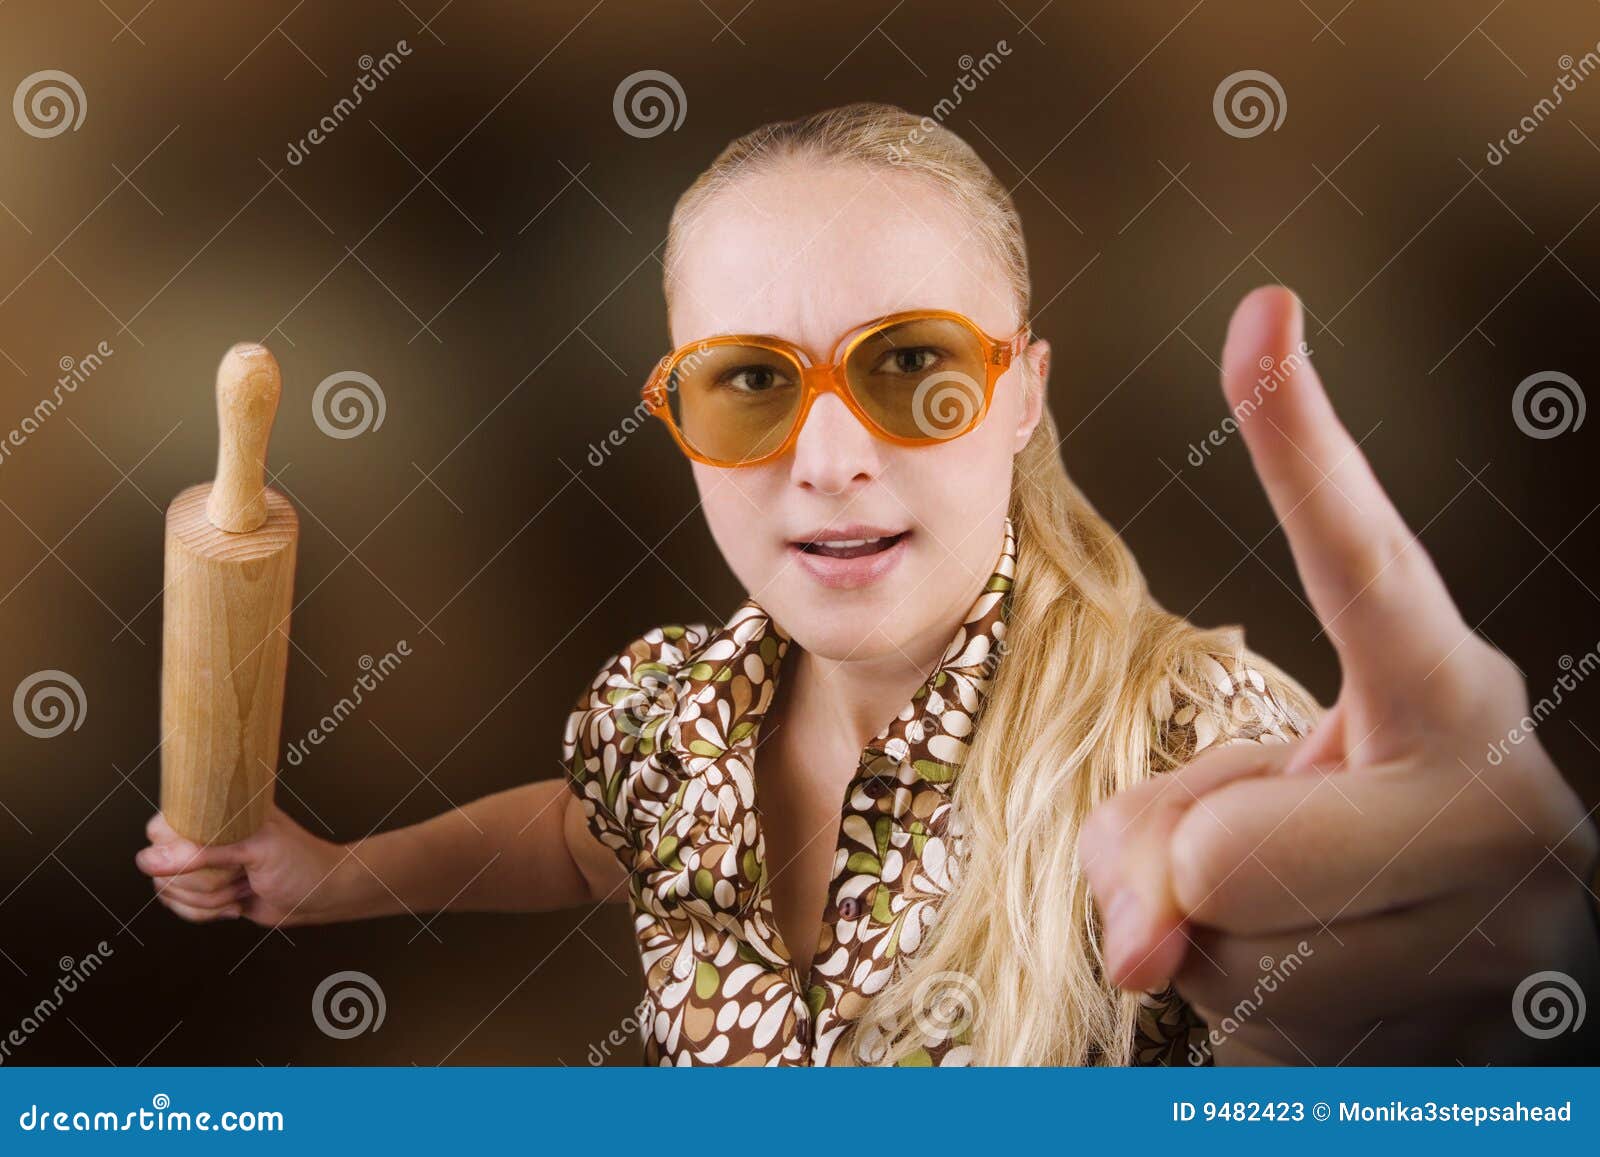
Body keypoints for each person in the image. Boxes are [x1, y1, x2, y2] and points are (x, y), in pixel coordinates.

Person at [136, 102, 1600, 1066]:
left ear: (1023, 398)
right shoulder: (671, 704)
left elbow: (1360, 950)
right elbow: (585, 835)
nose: (829, 457)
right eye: (750, 384)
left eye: (912, 369)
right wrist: (333, 877)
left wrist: (1488, 1032)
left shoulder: (1187, 737)